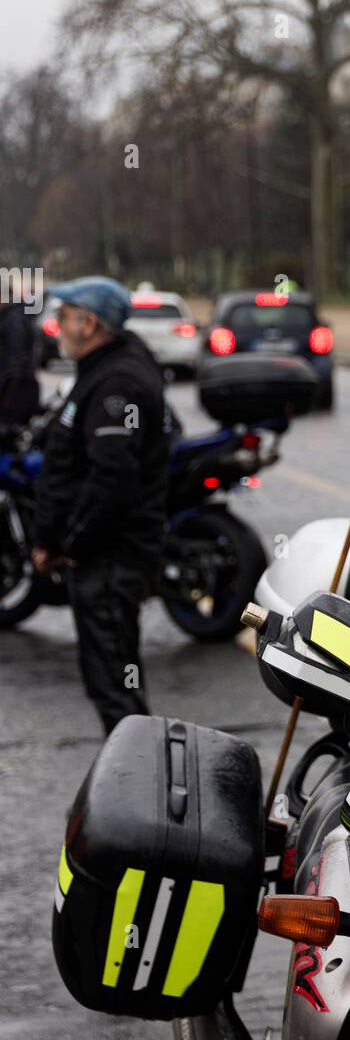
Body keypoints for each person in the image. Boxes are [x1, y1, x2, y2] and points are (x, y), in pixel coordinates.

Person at [31, 277, 170, 735]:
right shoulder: (108, 367)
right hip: (106, 556)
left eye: (64, 316)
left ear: (88, 324)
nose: (56, 325)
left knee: (116, 688)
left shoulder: (116, 383)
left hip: (110, 559)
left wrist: (69, 542)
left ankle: (139, 791)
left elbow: (113, 478)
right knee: (113, 681)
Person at [0, 299, 40, 429]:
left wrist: (8, 391)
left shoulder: (14, 318)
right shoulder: (12, 315)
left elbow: (17, 359)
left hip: (14, 390)